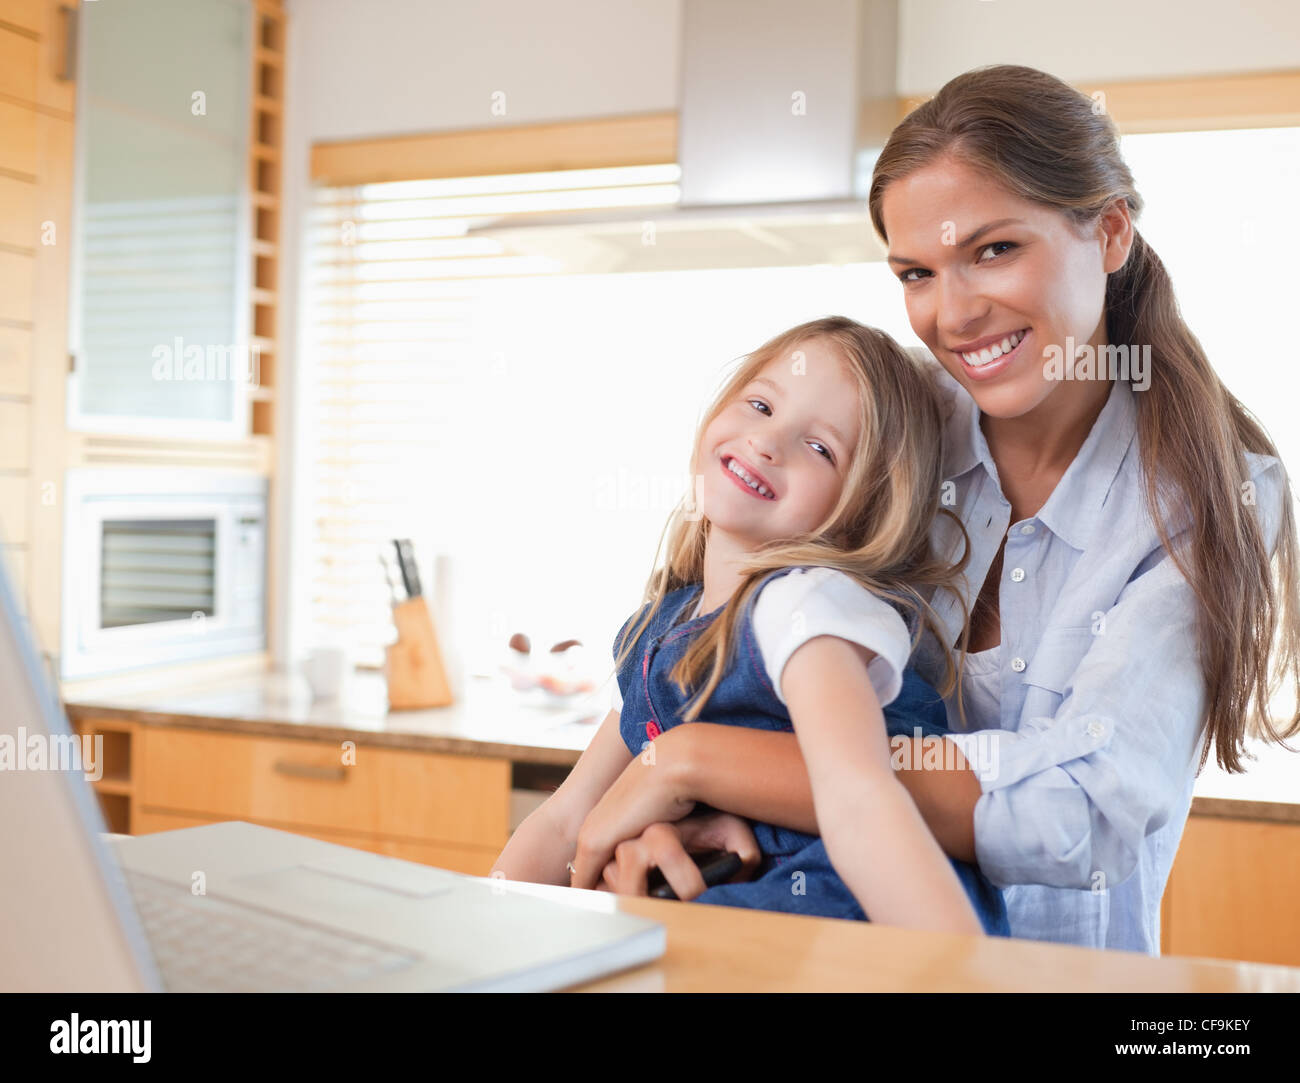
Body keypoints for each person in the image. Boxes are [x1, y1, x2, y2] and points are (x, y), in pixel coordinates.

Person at [567, 64, 1300, 954]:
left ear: (1109, 232)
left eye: (995, 250)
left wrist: (695, 764)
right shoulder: (895, 434)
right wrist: (682, 810)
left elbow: (1086, 806)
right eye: (917, 271)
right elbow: (740, 639)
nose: (952, 313)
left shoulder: (1213, 494)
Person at [493, 316, 1008, 935]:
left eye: (821, 448)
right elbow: (564, 818)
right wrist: (489, 928)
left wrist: (965, 969)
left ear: (861, 516)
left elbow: (860, 799)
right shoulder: (658, 630)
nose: (769, 442)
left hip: (848, 906)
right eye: (761, 405)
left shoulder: (810, 607)